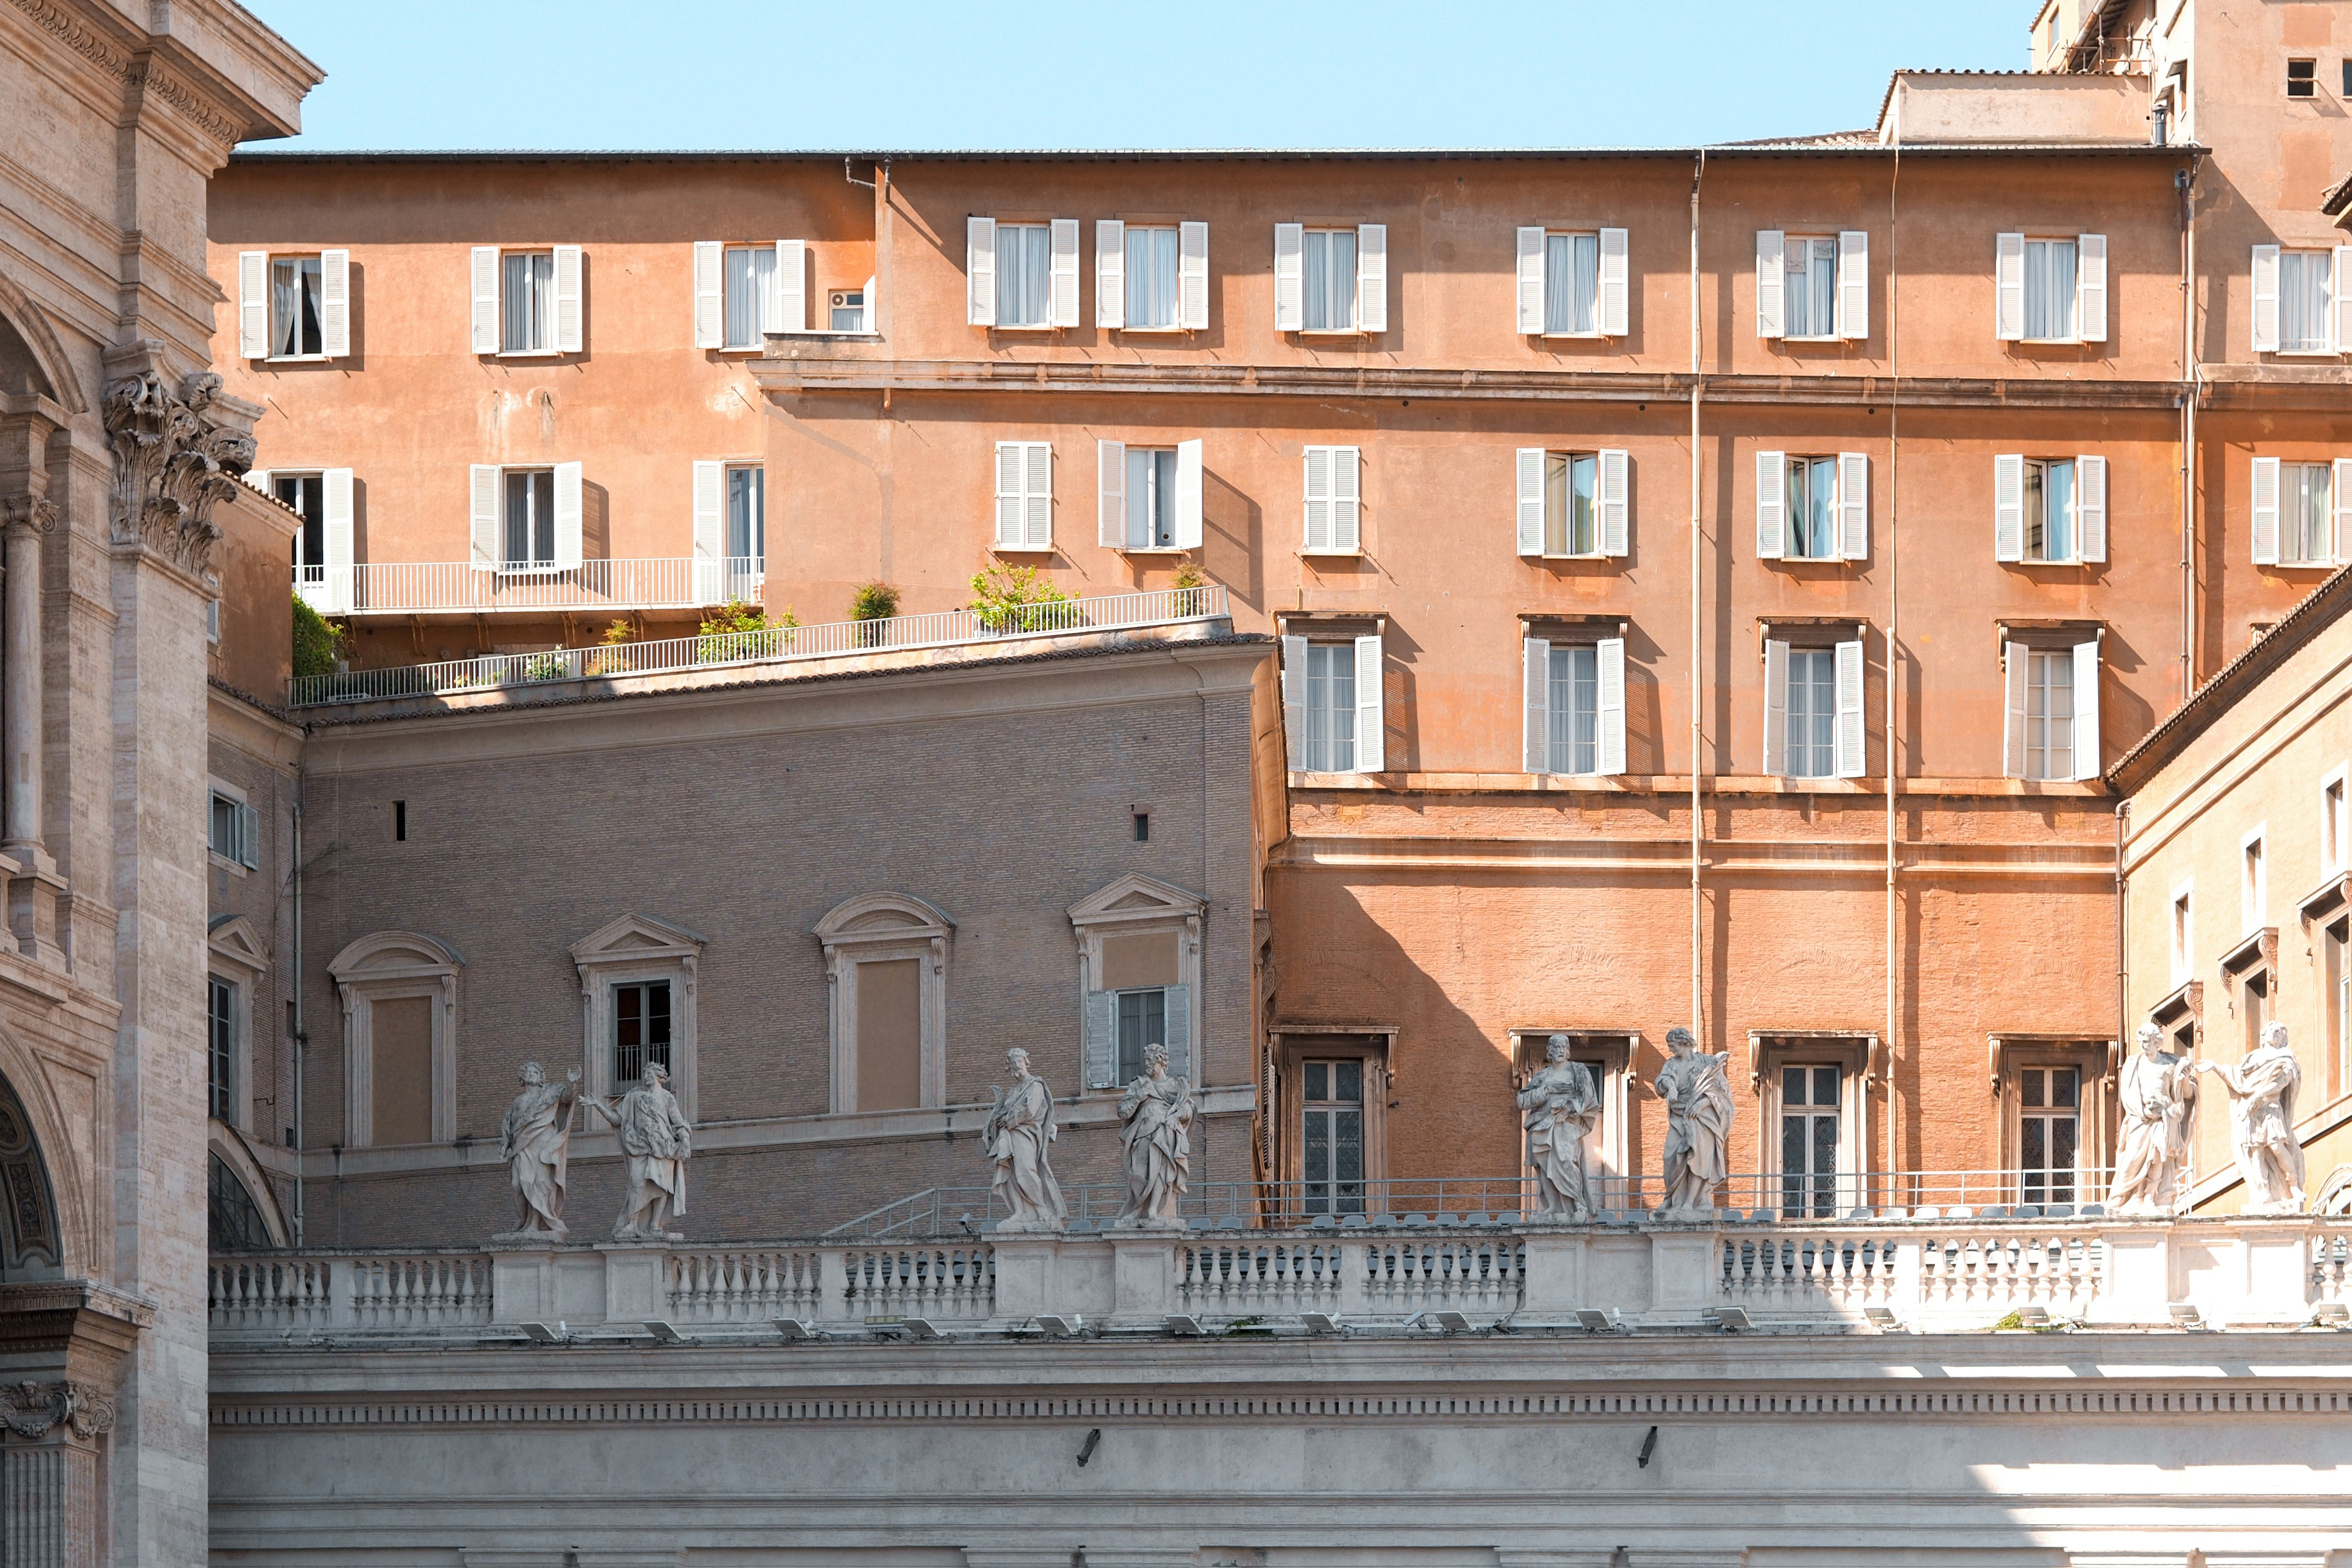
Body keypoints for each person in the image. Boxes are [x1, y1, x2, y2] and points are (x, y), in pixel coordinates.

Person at [2197, 1021, 2306, 1214]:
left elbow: (2281, 1083)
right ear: (2263, 1034)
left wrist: (2257, 1097)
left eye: (2279, 1031)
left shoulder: (2285, 1058)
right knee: (2256, 1152)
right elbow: (2237, 1078)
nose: (2274, 1032)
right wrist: (2215, 1067)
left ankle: (2294, 1186)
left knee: (2276, 1146)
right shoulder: (2252, 1060)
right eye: (2271, 1029)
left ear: (2283, 1038)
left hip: (2271, 1109)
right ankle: (2263, 1190)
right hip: (2254, 1113)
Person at [593, 1061, 693, 1240]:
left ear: (659, 1077)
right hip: (639, 1147)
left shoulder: (667, 1098)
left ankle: (655, 1224)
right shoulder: (634, 1097)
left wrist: (685, 1139)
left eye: (650, 1074)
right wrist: (598, 1106)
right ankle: (632, 1223)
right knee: (637, 1183)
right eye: (645, 1074)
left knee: (662, 1186)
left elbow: (679, 1123)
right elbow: (617, 1120)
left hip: (663, 1147)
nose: (646, 1077)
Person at [2109, 1022, 2194, 1214]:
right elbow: (2127, 1095)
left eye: (2147, 1041)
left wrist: (2185, 1080)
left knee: (2158, 1156)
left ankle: (2150, 1196)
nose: (2144, 1045)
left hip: (2163, 1117)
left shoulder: (2170, 1065)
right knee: (2132, 1159)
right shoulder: (2133, 1065)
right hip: (2140, 1118)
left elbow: (2186, 1095)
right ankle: (2123, 1198)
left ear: (2156, 1042)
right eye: (2142, 1042)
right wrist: (2145, 1112)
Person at [984, 1047, 1066, 1232]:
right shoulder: (1014, 1090)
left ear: (1026, 1063)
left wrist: (1009, 1119)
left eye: (1018, 1062)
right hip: (1008, 1135)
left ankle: (1041, 1209)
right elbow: (1005, 1111)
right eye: (1012, 1064)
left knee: (1025, 1170)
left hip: (1025, 1134)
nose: (1015, 1066)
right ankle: (1020, 1211)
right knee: (1010, 1174)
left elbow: (1030, 1110)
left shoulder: (1035, 1085)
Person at [495, 1061, 580, 1238]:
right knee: (517, 1184)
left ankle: (534, 1223)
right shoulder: (518, 1101)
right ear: (522, 1078)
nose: (532, 1074)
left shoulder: (550, 1093)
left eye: (536, 1072)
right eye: (529, 1071)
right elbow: (509, 1125)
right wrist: (505, 1145)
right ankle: (524, 1219)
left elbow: (567, 1097)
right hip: (521, 1145)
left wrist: (571, 1084)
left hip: (542, 1141)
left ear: (542, 1077)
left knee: (538, 1183)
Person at [1114, 1042, 1195, 1229]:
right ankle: (1137, 1208)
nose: (1147, 1064)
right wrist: (1138, 1097)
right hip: (1142, 1133)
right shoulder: (1139, 1085)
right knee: (1139, 1172)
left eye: (1150, 1060)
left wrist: (1174, 1116)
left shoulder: (1176, 1085)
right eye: (1146, 1061)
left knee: (1160, 1171)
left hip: (1164, 1133)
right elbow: (1123, 1113)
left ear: (1161, 1061)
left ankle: (1153, 1210)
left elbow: (1187, 1109)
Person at [1517, 1034, 1598, 1219]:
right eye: (1556, 1047)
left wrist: (1569, 1107)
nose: (1560, 1051)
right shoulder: (1543, 1076)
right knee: (1545, 1163)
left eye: (1564, 1047)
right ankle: (1553, 1206)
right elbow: (1522, 1100)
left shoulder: (1578, 1071)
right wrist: (1548, 1090)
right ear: (1550, 1052)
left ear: (1568, 1051)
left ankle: (1578, 1203)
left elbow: (1588, 1098)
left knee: (1567, 1161)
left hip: (1568, 1125)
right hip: (1543, 1126)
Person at [1652, 1026, 1732, 1212]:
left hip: (1701, 1117)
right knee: (1671, 1158)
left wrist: (1702, 1104)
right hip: (1679, 1117)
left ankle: (1691, 1202)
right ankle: (1673, 1199)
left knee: (1698, 1157)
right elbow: (1663, 1080)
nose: (1671, 1049)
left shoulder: (1707, 1062)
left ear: (1684, 1043)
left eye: (1673, 1045)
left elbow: (1721, 1091)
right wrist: (1671, 1087)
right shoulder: (1671, 1064)